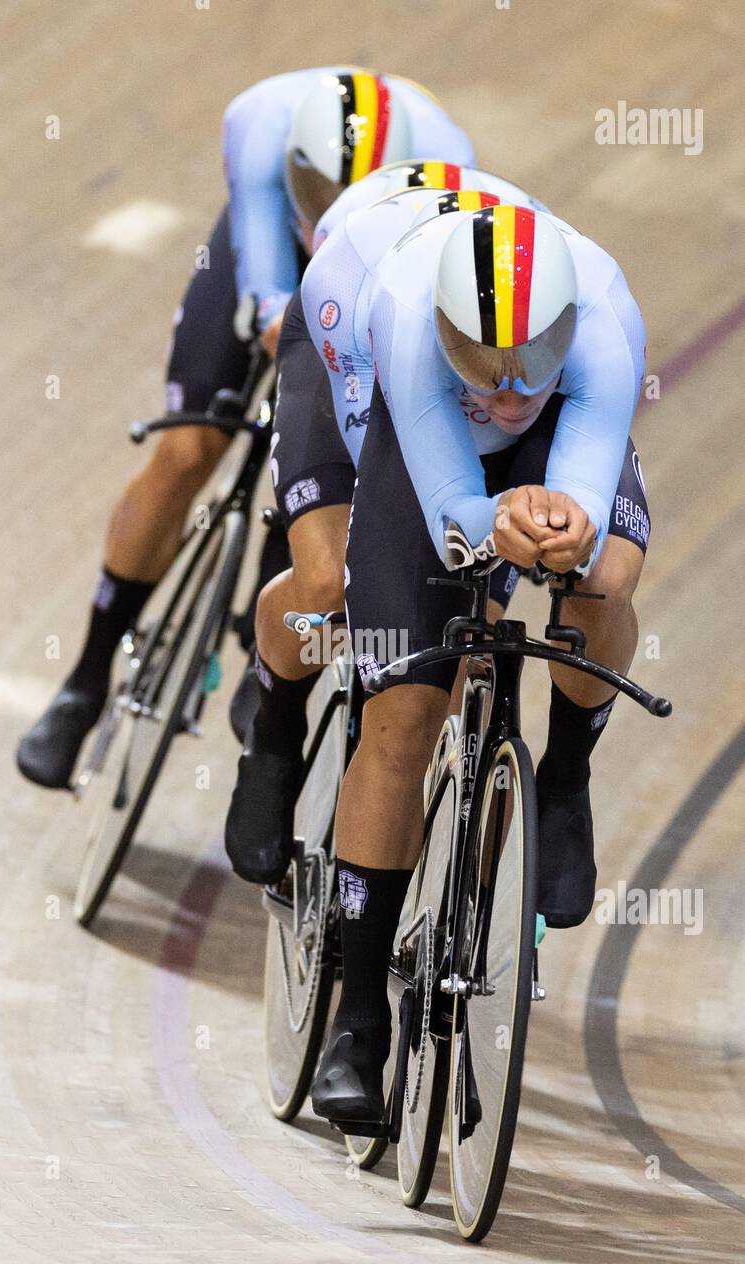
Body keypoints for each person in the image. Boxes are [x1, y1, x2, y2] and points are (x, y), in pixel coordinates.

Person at [16, 69, 474, 788]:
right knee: (187, 447)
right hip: (276, 248)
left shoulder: (451, 166)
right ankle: (85, 675)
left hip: (375, 261)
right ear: (295, 168)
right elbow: (265, 290)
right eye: (316, 194)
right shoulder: (257, 126)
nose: (323, 210)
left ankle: (271, 636)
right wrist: (280, 329)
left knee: (335, 452)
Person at [296, 201, 648, 1127]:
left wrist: (560, 529)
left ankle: (563, 774)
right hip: (425, 450)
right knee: (403, 716)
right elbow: (450, 499)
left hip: (554, 441)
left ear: (562, 338)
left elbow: (577, 496)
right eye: (479, 370)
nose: (498, 394)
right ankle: (358, 1018)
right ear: (450, 334)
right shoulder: (412, 325)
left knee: (602, 578)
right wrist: (489, 524)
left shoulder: (605, 322)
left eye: (523, 374)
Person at [224, 167, 547, 881]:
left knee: (458, 649)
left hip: (463, 383)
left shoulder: (531, 305)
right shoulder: (376, 286)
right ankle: (274, 725)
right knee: (329, 584)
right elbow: (370, 453)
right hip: (352, 360)